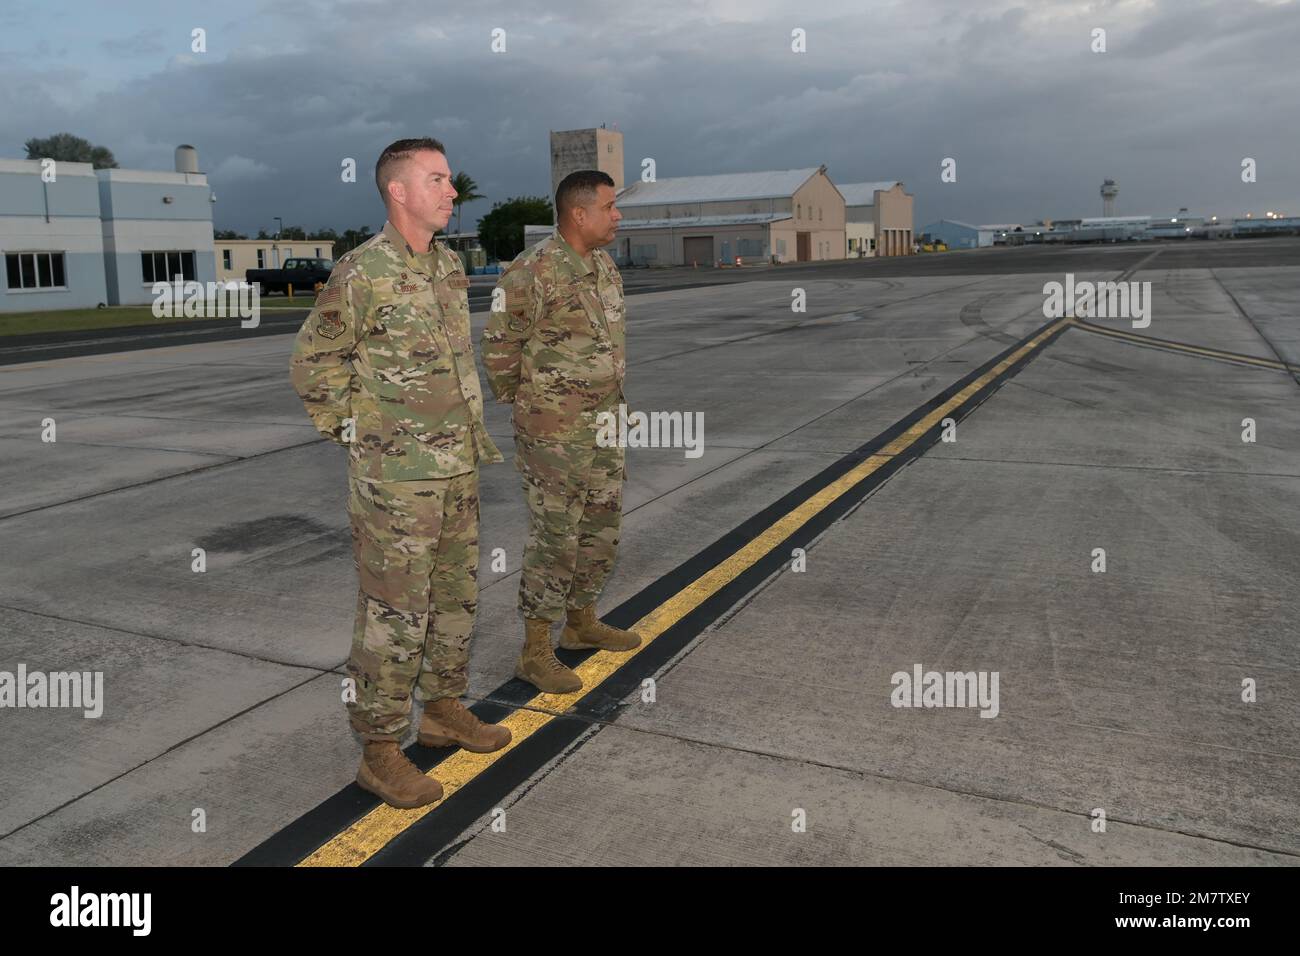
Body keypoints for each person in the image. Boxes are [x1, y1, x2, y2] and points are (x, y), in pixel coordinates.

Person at [290, 137, 510, 809]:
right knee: (392, 616)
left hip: (456, 469)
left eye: (449, 179)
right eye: (438, 179)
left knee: (453, 600)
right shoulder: (362, 272)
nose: (452, 190)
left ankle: (442, 711)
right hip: (396, 485)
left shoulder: (446, 267)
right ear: (398, 191)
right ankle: (380, 751)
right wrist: (360, 436)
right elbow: (313, 365)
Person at [481, 170, 641, 695]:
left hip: (604, 423)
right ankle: (535, 650)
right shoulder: (533, 272)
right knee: (555, 536)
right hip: (555, 433)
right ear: (579, 213)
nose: (617, 215)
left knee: (600, 525)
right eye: (610, 206)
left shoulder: (602, 265)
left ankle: (580, 622)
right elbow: (500, 348)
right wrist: (534, 409)